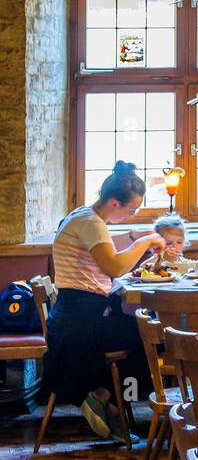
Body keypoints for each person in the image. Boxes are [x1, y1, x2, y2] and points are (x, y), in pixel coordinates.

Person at [44, 161, 165, 441]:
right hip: (81, 322)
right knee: (148, 335)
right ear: (114, 203)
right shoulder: (91, 224)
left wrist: (136, 239)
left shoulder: (83, 216)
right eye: (132, 209)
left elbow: (104, 253)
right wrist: (144, 242)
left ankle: (108, 399)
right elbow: (113, 267)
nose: (133, 214)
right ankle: (109, 400)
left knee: (141, 329)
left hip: (72, 316)